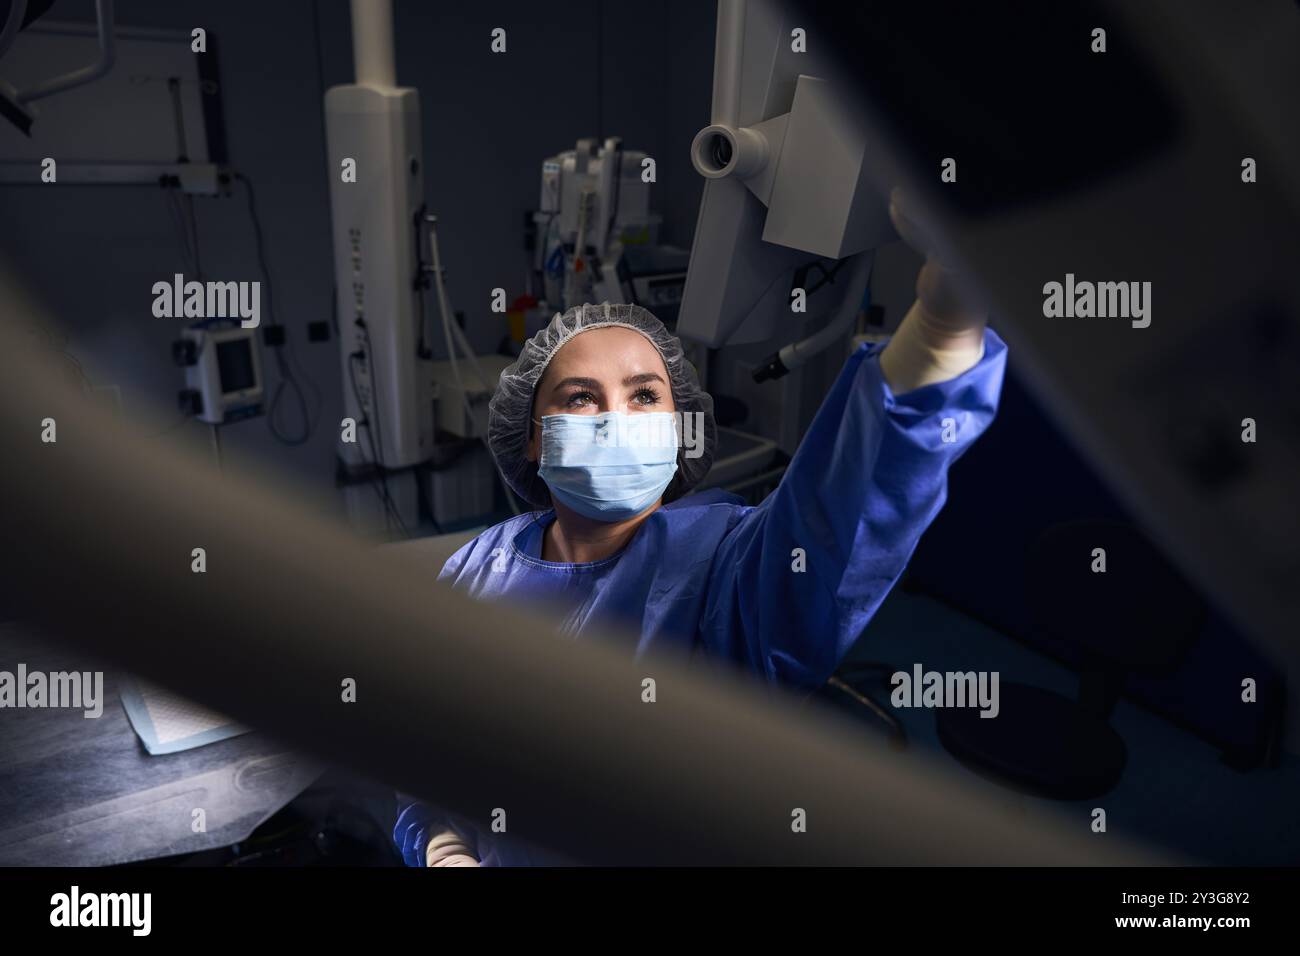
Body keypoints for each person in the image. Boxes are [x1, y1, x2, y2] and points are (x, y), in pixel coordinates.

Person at [395, 190, 1007, 866]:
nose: (616, 417)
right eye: (580, 397)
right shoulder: (476, 567)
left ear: (679, 432)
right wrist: (439, 842)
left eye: (644, 395)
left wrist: (946, 315)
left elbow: (841, 507)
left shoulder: (720, 570)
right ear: (533, 440)